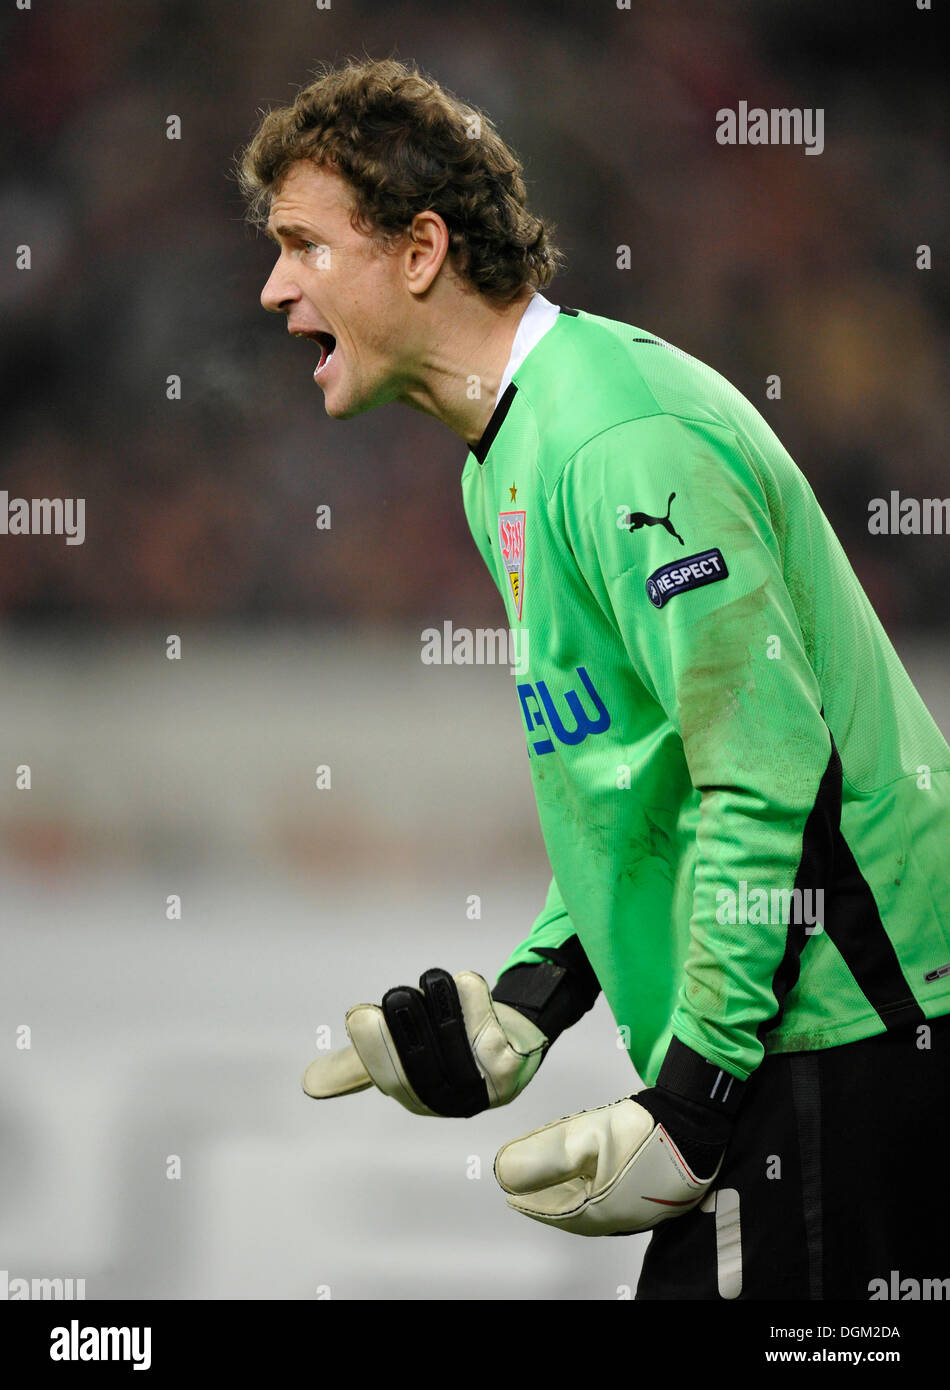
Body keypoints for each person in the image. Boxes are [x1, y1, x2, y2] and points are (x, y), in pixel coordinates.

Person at [239, 57, 950, 1300]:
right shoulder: (506, 452)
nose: (272, 286)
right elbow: (653, 774)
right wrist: (529, 999)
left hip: (836, 1028)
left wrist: (693, 1094)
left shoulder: (614, 441)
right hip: (804, 1031)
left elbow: (766, 774)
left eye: (302, 244)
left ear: (418, 251)